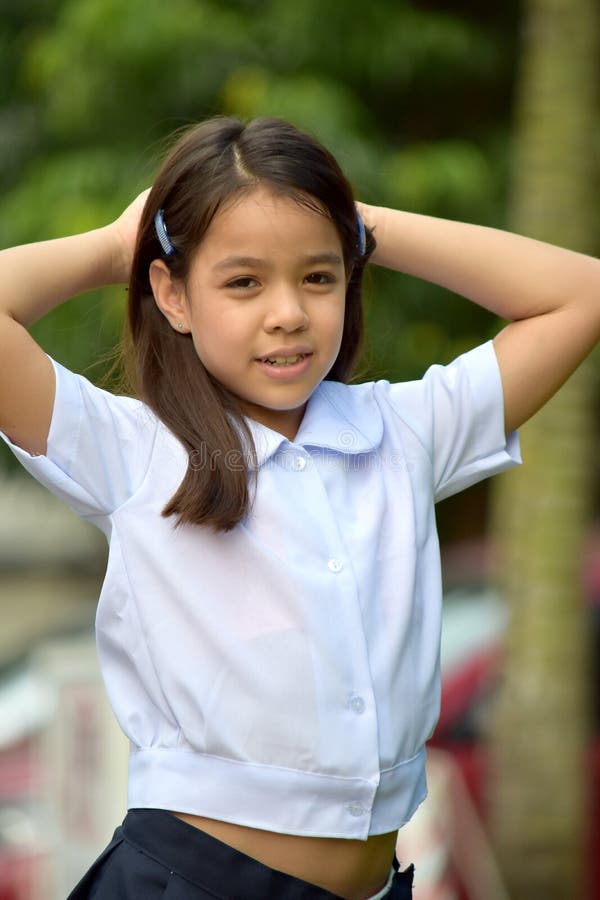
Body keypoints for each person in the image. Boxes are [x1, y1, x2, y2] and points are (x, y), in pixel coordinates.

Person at [1, 115, 599, 900]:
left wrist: (356, 222)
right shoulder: (133, 450)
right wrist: (119, 247)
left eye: (318, 277)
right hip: (188, 884)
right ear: (172, 295)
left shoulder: (405, 432)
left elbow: (579, 294)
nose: (287, 312)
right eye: (244, 281)